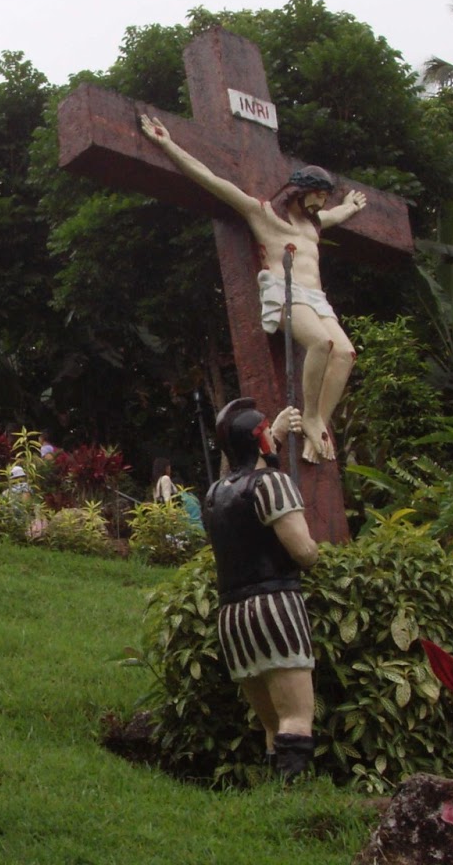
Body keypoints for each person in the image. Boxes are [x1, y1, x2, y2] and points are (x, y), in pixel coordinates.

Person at [140, 114, 366, 463]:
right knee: (322, 343)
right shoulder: (262, 214)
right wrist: (168, 144)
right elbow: (212, 180)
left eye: (324, 198)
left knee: (345, 354)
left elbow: (334, 217)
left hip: (315, 298)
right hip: (284, 290)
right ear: (300, 191)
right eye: (318, 196)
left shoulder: (314, 224)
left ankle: (317, 418)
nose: (321, 204)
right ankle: (309, 417)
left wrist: (349, 207)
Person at [204, 397, 320, 781]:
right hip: (276, 608)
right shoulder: (274, 484)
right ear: (260, 441)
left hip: (233, 616)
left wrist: (277, 436)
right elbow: (303, 551)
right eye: (269, 433)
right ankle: (295, 788)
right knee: (296, 715)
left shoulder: (214, 494)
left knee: (271, 723)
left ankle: (275, 786)